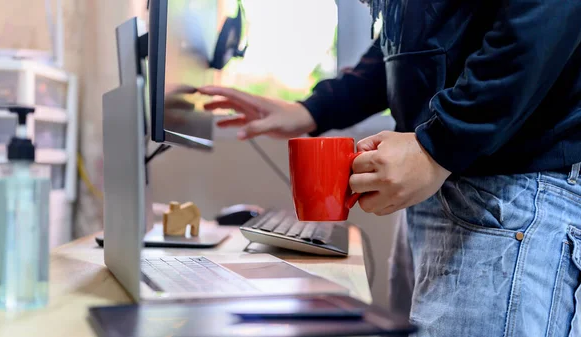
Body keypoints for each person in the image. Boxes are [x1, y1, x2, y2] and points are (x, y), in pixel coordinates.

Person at [199, 0, 581, 335]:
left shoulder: (445, 147)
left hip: (507, 189)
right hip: (444, 180)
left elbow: (543, 16)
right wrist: (315, 109)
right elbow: (410, 44)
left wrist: (439, 143)